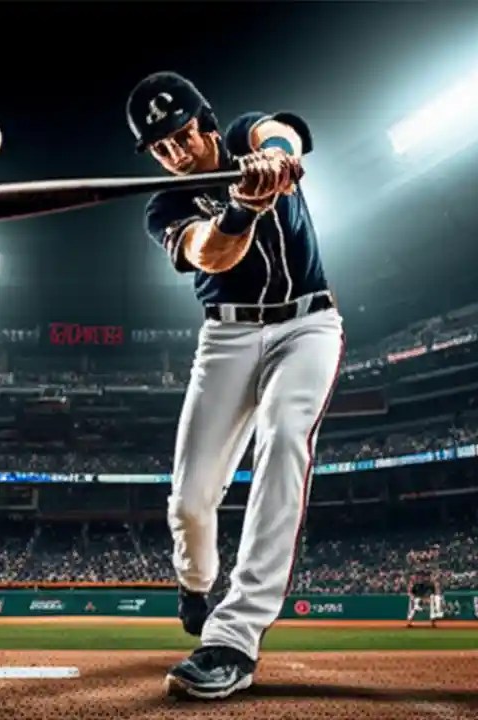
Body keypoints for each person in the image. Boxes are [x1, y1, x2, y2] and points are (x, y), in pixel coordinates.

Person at [130, 71, 345, 701]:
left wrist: (275, 161)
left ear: (203, 120)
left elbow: (284, 133)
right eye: (158, 146)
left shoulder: (245, 132)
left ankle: (233, 637)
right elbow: (211, 254)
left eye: (178, 134)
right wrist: (242, 207)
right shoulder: (164, 206)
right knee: (190, 501)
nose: (171, 151)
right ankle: (195, 582)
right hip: (224, 340)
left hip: (307, 323)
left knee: (283, 443)